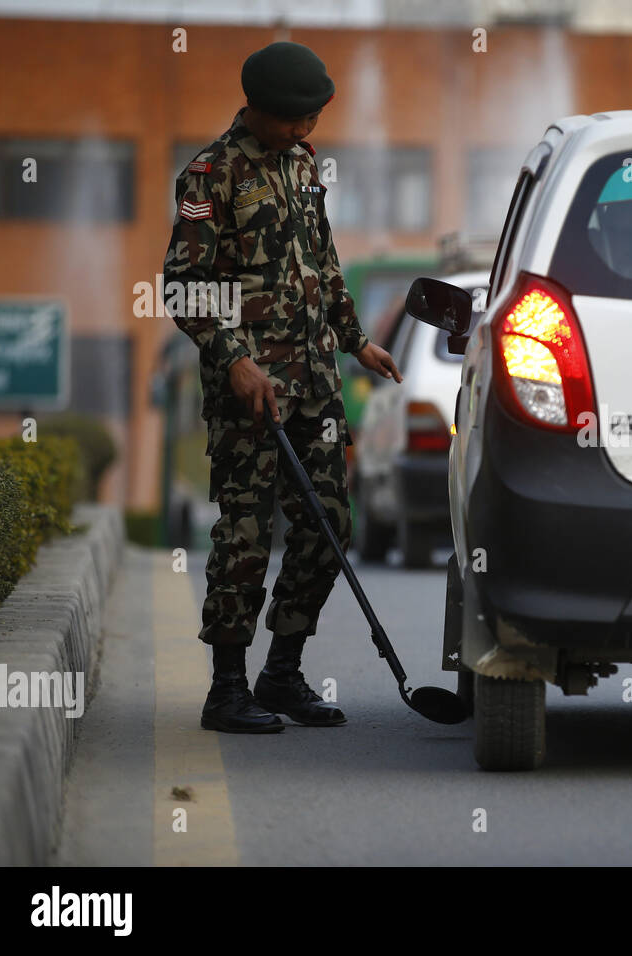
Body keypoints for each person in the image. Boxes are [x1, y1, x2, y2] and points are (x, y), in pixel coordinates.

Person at [162, 41, 402, 733]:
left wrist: (356, 340)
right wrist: (234, 357)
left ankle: (282, 671)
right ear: (260, 111)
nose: (307, 131)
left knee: (330, 525)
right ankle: (228, 688)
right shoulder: (210, 175)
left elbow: (323, 263)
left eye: (314, 119)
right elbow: (184, 285)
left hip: (315, 377)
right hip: (251, 388)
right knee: (244, 533)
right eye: (297, 119)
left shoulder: (302, 167)